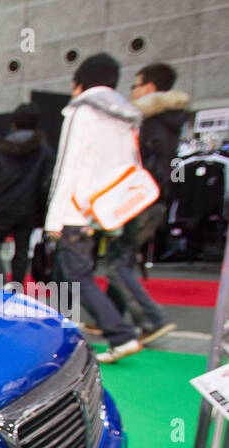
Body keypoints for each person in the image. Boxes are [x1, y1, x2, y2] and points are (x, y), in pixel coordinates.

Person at [44, 53, 144, 364]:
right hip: (103, 212)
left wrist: (54, 216)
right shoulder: (125, 118)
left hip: (75, 210)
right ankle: (61, 332)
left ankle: (120, 334)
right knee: (66, 274)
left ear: (79, 83)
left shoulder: (82, 111)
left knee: (75, 276)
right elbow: (129, 170)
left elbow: (67, 165)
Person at [99, 62, 189, 345]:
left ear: (149, 87)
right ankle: (111, 316)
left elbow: (137, 167)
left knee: (116, 264)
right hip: (155, 201)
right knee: (121, 258)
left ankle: (152, 319)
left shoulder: (147, 123)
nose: (133, 91)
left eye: (135, 85)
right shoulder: (172, 123)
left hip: (138, 201)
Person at [0, 102, 54, 286]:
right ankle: (16, 288)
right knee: (22, 250)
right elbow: (47, 183)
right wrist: (41, 210)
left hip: (3, 206)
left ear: (14, 123)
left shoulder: (0, 150)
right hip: (29, 209)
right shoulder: (44, 151)